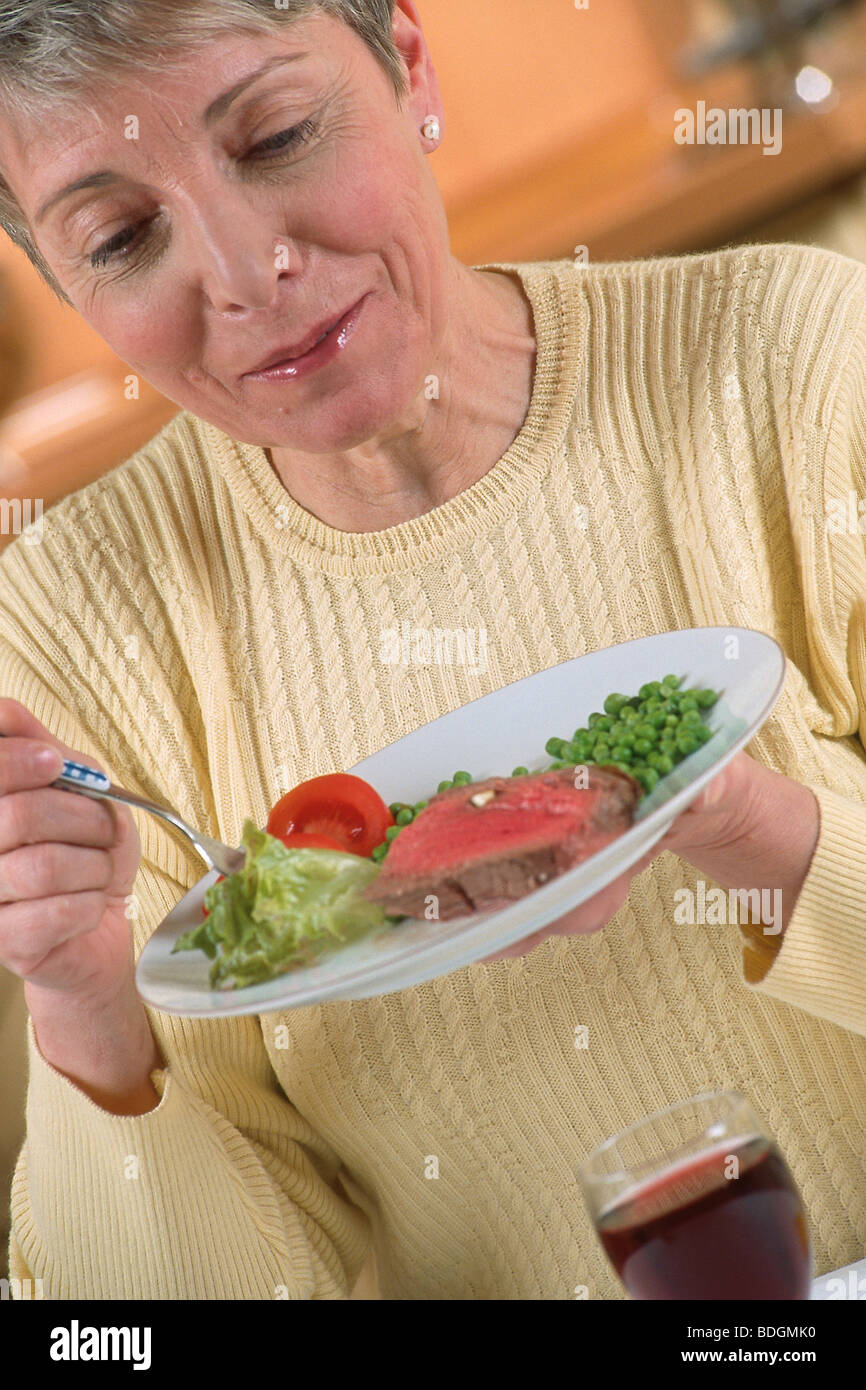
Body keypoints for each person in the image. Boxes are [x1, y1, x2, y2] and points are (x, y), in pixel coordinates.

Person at [0, 0, 864, 1301]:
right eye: (121, 238)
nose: (243, 274)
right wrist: (86, 1014)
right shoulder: (66, 629)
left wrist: (745, 821)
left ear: (409, 65)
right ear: (65, 286)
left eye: (279, 134)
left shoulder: (794, 362)